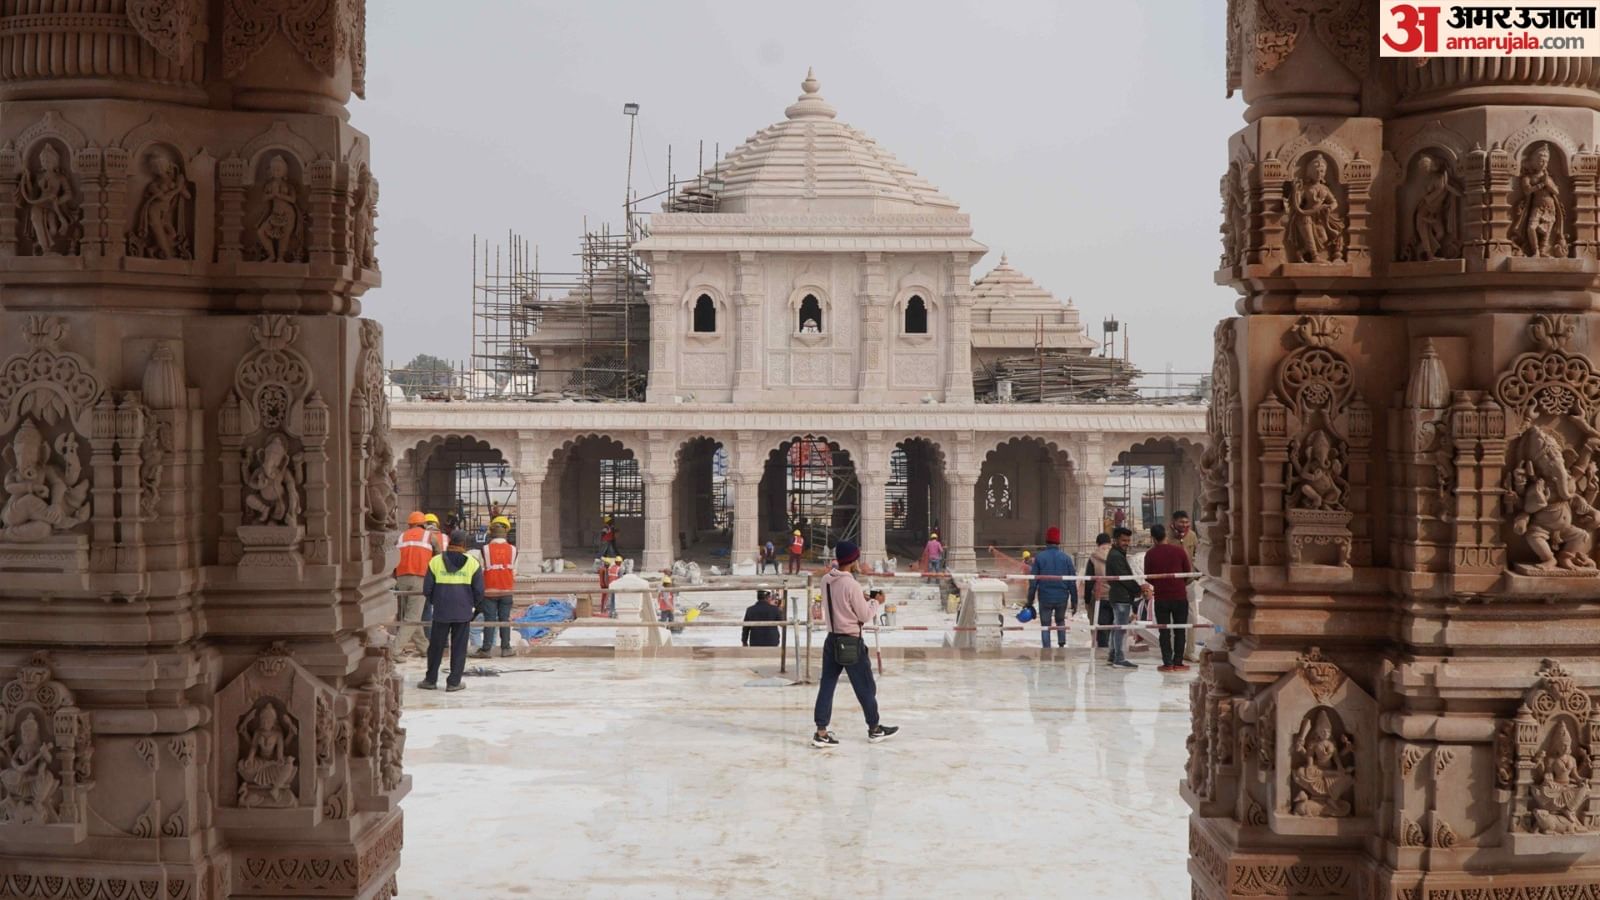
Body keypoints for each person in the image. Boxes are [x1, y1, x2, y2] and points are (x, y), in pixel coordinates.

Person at [811, 541, 898, 748]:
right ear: (852, 560)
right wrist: (876, 602)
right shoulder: (851, 584)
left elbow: (839, 601)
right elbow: (864, 615)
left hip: (831, 639)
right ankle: (874, 728)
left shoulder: (826, 579)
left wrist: (861, 598)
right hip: (850, 641)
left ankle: (821, 731)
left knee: (827, 685)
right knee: (865, 687)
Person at [420, 530, 484, 692]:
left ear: (449, 542)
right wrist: (471, 606)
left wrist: (438, 601)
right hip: (462, 612)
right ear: (464, 544)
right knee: (459, 648)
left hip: (441, 611)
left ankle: (430, 680)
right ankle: (454, 682)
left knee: (436, 647)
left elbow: (427, 589)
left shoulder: (435, 561)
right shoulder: (473, 563)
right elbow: (479, 592)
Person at [1142, 523, 1193, 671]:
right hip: (1179, 596)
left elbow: (1149, 577)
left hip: (1161, 597)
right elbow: (1187, 572)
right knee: (1180, 630)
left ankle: (1167, 663)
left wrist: (1161, 583)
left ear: (1153, 538)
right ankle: (1178, 661)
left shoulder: (1150, 554)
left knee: (1164, 631)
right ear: (1165, 535)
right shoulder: (1179, 551)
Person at [1025, 526, 1078, 650]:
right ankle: (1061, 644)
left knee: (1045, 625)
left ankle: (1046, 648)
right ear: (1058, 541)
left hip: (1045, 596)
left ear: (1046, 541)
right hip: (1062, 597)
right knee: (1060, 620)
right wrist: (1074, 601)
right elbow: (1072, 582)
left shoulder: (1040, 558)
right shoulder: (1066, 559)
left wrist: (1030, 600)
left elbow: (1033, 582)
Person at [473, 516, 517, 658]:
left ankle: (486, 650)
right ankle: (506, 648)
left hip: (489, 591)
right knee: (505, 619)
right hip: (506, 590)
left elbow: (480, 570)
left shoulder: (484, 550)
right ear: (506, 532)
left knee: (489, 620)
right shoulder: (513, 550)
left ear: (491, 532)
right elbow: (515, 571)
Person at [393, 511, 435, 657]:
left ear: (410, 524)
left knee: (411, 615)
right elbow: (440, 556)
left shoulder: (401, 536)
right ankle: (394, 651)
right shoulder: (429, 536)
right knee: (412, 618)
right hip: (420, 578)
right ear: (423, 524)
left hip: (401, 578)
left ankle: (426, 649)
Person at [1104, 527, 1144, 670]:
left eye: (1128, 540)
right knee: (1120, 628)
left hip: (1120, 595)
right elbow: (1124, 578)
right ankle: (1119, 658)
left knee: (1117, 626)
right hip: (1121, 596)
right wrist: (1138, 589)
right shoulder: (1116, 556)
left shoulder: (1117, 554)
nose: (1126, 543)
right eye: (1123, 540)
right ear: (1116, 540)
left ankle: (1113, 654)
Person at [1172, 510, 1200, 662]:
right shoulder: (1168, 537)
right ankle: (1174, 651)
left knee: (1192, 617)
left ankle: (1190, 651)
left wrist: (1196, 571)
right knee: (1173, 619)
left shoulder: (1192, 536)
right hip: (1172, 584)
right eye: (1181, 522)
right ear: (1174, 522)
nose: (1184, 525)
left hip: (1188, 582)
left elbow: (1197, 553)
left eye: (1186, 522)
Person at [1084, 533, 1114, 649]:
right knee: (1115, 628)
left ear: (1097, 544)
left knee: (1101, 629)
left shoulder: (1093, 557)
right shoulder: (1117, 554)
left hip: (1100, 598)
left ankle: (1103, 654)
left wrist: (1087, 600)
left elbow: (1089, 581)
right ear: (1109, 542)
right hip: (1116, 597)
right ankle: (1113, 653)